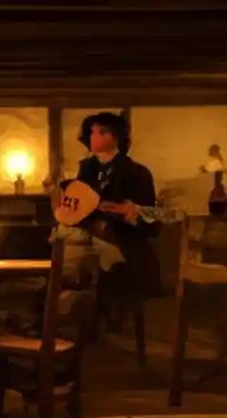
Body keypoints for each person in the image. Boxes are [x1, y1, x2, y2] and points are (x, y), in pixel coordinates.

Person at [46, 112, 163, 310]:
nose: (90, 137)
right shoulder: (87, 170)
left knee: (99, 272)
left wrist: (127, 212)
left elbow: (150, 220)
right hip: (83, 238)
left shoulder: (136, 172)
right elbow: (76, 208)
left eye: (95, 133)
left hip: (121, 242)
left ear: (111, 136)